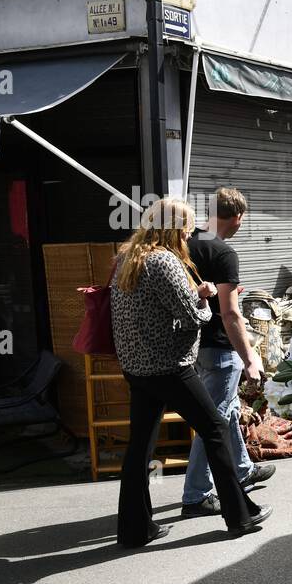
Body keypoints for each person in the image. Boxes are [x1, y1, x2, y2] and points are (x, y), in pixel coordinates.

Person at [110, 197, 271, 547]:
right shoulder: (164, 261)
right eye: (185, 229)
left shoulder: (126, 258)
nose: (187, 236)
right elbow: (193, 317)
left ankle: (135, 529)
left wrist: (191, 297)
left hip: (136, 367)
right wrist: (204, 297)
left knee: (139, 447)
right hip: (170, 366)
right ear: (175, 230)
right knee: (214, 428)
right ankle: (239, 515)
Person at [181, 188, 275, 517]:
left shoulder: (184, 243)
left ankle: (243, 468)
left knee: (228, 409)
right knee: (215, 420)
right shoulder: (223, 252)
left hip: (190, 345)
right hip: (220, 347)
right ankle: (197, 494)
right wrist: (250, 357)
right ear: (237, 218)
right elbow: (231, 314)